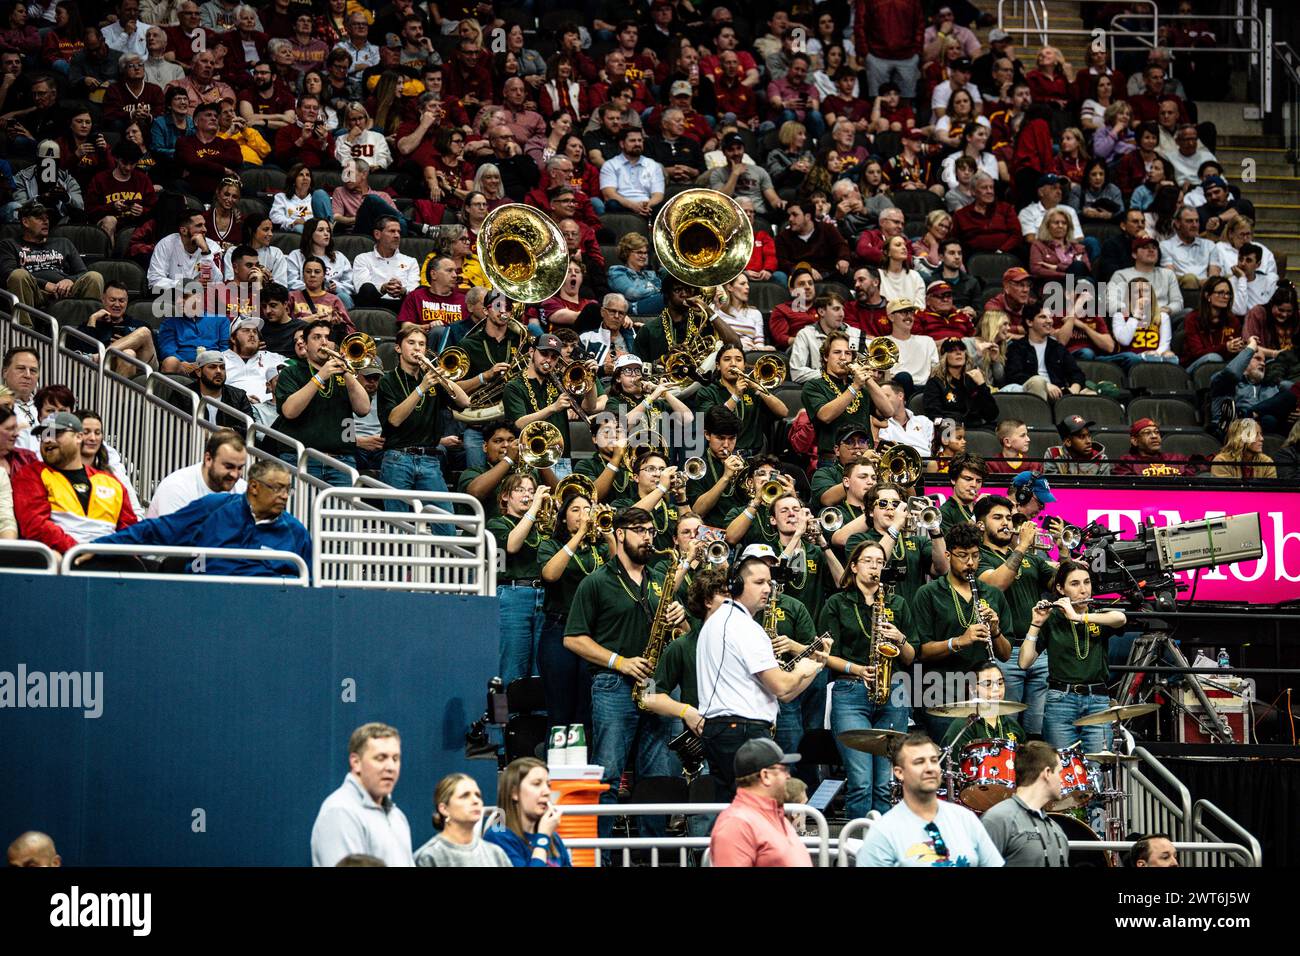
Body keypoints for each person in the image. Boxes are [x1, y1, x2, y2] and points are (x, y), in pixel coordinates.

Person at [563, 507, 689, 841]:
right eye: (640, 530)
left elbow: (682, 636)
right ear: (619, 534)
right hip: (614, 684)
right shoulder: (597, 582)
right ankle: (598, 854)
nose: (648, 537)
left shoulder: (660, 582)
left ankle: (653, 854)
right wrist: (621, 662)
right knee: (607, 772)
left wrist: (681, 618)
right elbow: (573, 639)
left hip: (658, 686)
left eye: (651, 530)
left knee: (660, 777)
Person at [696, 549, 828, 797]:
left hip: (724, 730)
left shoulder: (716, 621)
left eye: (769, 582)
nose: (767, 588)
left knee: (733, 807)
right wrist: (802, 668)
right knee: (756, 806)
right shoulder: (744, 627)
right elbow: (780, 685)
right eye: (758, 582)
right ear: (734, 585)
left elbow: (786, 694)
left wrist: (814, 665)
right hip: (742, 730)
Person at [821, 539, 917, 816]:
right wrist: (858, 669)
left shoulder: (897, 603)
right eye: (868, 561)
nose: (875, 567)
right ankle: (857, 850)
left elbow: (910, 657)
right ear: (853, 566)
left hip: (893, 689)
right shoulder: (837, 603)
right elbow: (824, 655)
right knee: (861, 781)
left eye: (880, 562)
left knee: (886, 783)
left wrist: (900, 638)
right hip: (851, 692)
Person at [93, 457, 311, 576]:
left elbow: (307, 585)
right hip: (203, 600)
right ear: (254, 487)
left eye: (287, 490)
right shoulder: (214, 507)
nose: (284, 496)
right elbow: (156, 530)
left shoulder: (295, 531)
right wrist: (97, 547)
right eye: (278, 488)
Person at [1021, 560, 1129, 752]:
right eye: (1075, 584)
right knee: (1063, 770)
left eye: (1087, 582)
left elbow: (1120, 619)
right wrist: (1036, 624)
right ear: (1060, 589)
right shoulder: (1052, 619)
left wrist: (1078, 617)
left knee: (1097, 767)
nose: (1083, 590)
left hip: (1097, 700)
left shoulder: (1098, 615)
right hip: (1060, 701)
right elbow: (1024, 662)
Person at [857, 732, 1005, 867]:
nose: (930, 768)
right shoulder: (883, 832)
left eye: (934, 760)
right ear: (899, 773)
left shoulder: (965, 819)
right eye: (919, 762)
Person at [11, 411, 137, 553]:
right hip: (61, 561)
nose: (48, 440)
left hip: (109, 559)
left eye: (56, 433)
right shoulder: (31, 475)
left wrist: (105, 554)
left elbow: (129, 529)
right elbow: (35, 526)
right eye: (44, 435)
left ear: (78, 437)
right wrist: (80, 552)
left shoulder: (111, 482)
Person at [273, 318, 368, 484]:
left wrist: (346, 373)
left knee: (341, 511)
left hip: (342, 460)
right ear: (305, 344)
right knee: (302, 510)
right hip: (301, 458)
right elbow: (289, 411)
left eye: (328, 337)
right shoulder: (291, 373)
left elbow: (363, 408)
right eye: (317, 337)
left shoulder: (344, 375)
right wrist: (321, 376)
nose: (324, 342)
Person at [310, 722, 412, 867]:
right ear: (356, 762)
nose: (391, 767)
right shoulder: (340, 812)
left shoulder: (397, 817)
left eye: (395, 758)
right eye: (381, 758)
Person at [708, 737, 812, 867]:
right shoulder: (736, 823)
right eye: (784, 770)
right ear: (765, 776)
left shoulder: (774, 816)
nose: (788, 776)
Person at [0, 201, 104, 316]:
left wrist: (69, 280)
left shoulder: (64, 243)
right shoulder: (10, 245)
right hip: (35, 292)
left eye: (47, 218)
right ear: (25, 222)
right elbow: (8, 273)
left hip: (65, 291)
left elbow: (82, 272)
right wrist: (45, 284)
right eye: (39, 218)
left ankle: (89, 327)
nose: (45, 222)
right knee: (18, 275)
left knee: (94, 277)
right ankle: (24, 328)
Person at [979, 739, 1071, 866]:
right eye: (1060, 773)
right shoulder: (997, 820)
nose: (1062, 780)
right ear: (1047, 773)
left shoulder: (1057, 830)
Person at [483, 757, 572, 867]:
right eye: (537, 784)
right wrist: (542, 839)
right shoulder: (497, 837)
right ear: (514, 792)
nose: (547, 792)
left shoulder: (553, 838)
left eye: (548, 785)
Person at [802, 330, 875, 459]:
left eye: (848, 353)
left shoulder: (861, 387)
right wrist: (855, 386)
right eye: (837, 352)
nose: (843, 357)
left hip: (864, 459)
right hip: (832, 461)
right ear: (826, 356)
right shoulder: (814, 386)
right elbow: (825, 416)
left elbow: (888, 411)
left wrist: (867, 377)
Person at [414, 773, 510, 868]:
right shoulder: (428, 857)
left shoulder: (496, 854)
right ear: (444, 809)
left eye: (478, 795)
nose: (475, 801)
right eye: (465, 796)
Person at [146, 428, 247, 517]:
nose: (234, 474)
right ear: (208, 459)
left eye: (240, 468)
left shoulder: (243, 489)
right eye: (229, 467)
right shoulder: (176, 488)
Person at [1004, 309, 1089, 402]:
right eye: (1043, 317)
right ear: (1029, 322)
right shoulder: (1017, 347)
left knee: (1091, 393)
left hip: (1058, 393)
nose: (1049, 321)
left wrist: (1074, 389)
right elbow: (1014, 375)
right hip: (1029, 393)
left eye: (1050, 317)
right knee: (1037, 381)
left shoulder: (1057, 347)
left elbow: (1076, 373)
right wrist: (1045, 385)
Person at [922, 337, 998, 429]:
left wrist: (982, 385)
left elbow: (991, 415)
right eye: (952, 350)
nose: (959, 353)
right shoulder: (935, 383)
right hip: (950, 431)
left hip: (976, 428)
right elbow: (934, 416)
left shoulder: (973, 380)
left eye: (962, 349)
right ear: (944, 356)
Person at [790, 293, 864, 384]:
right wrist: (832, 374)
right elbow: (796, 373)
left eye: (842, 309)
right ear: (821, 312)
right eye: (836, 309)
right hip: (819, 388)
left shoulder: (855, 333)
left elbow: (864, 366)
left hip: (851, 386)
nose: (842, 314)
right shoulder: (805, 334)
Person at [352, 216, 419, 308]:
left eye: (399, 232)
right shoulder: (362, 259)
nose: (397, 235)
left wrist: (402, 290)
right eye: (392, 231)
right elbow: (361, 289)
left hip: (402, 306)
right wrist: (383, 288)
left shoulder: (411, 261)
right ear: (377, 234)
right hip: (374, 305)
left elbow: (415, 290)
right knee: (367, 287)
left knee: (419, 292)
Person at [1114, 417, 1197, 477]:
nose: (1154, 436)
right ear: (1135, 441)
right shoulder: (1127, 463)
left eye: (1157, 432)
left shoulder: (1177, 459)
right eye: (1147, 433)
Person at [1211, 418, 1277, 479]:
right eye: (1256, 435)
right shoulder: (1221, 462)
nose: (1262, 439)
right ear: (1241, 437)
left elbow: (1271, 490)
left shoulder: (1267, 462)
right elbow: (1227, 491)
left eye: (1261, 434)